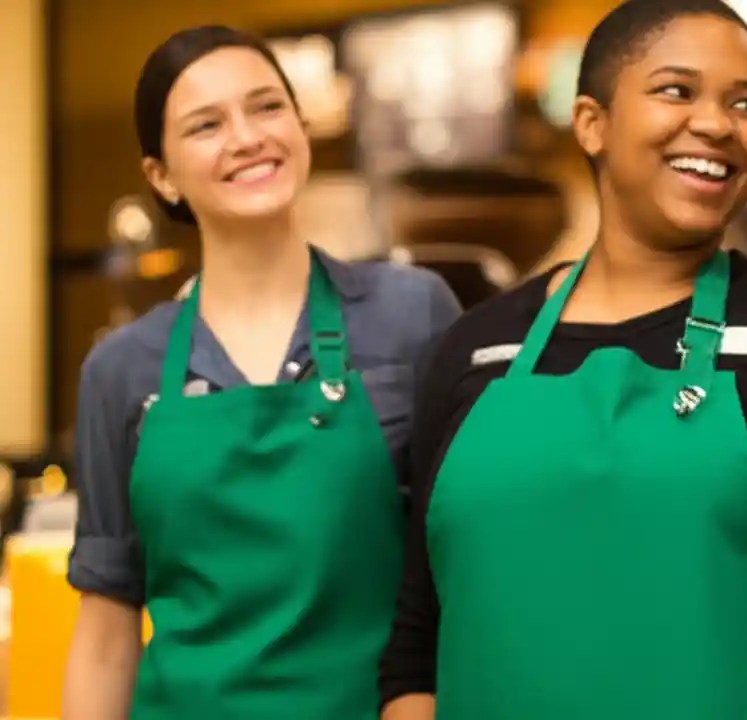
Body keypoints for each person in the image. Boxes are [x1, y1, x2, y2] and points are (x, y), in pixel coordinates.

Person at [377, 1, 747, 719]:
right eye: (677, 90)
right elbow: (418, 649)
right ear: (592, 122)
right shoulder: (471, 351)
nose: (718, 123)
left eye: (746, 103)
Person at [62, 25, 461, 719]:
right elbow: (106, 628)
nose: (247, 137)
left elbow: (462, 568)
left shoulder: (413, 312)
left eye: (267, 106)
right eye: (206, 124)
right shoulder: (120, 370)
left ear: (301, 126)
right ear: (161, 175)